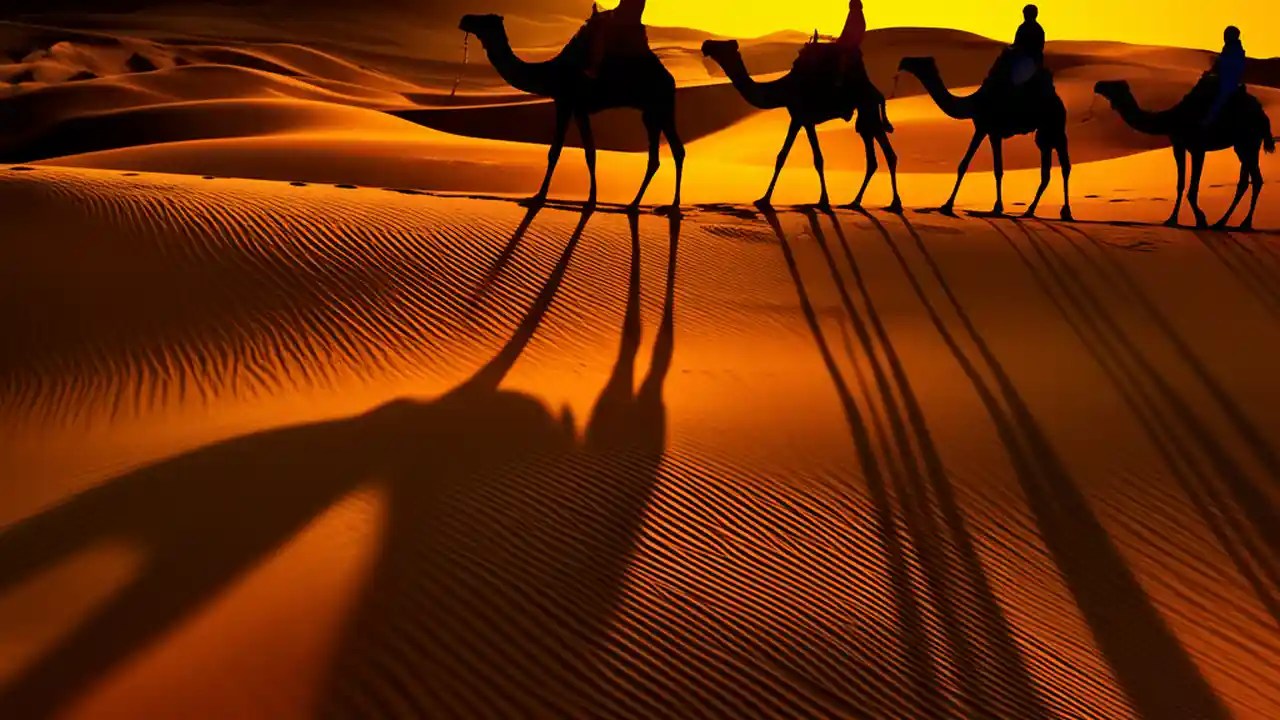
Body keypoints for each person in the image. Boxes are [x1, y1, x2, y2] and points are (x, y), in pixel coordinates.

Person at [584, 0, 647, 79]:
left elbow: (625, 12)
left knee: (598, 26)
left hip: (626, 22)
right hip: (628, 20)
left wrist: (608, 14)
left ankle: (594, 67)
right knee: (597, 22)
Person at [1205, 26, 1246, 125]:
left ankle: (1208, 122)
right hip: (1225, 80)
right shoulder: (1230, 49)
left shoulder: (1234, 51)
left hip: (1228, 83)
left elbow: (1225, 65)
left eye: (1226, 35)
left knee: (1219, 101)